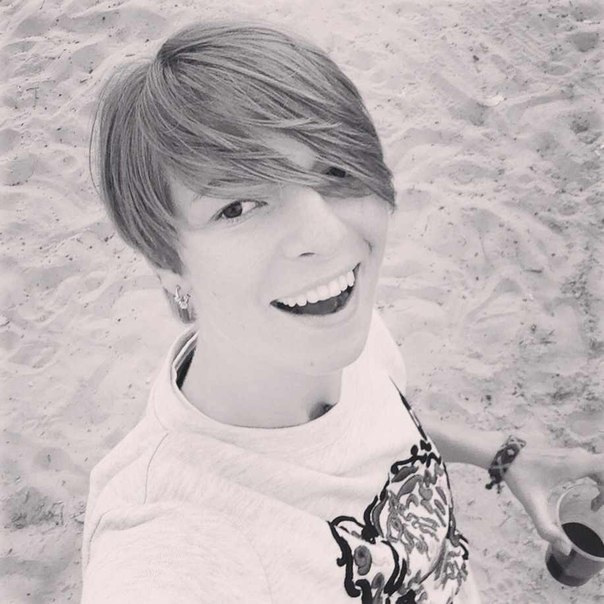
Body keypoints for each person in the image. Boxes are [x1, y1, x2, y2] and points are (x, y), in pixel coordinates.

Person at [81, 21, 603, 603]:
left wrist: (503, 458)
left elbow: (374, 428)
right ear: (166, 263)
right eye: (240, 205)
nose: (327, 236)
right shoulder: (171, 544)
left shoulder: (344, 330)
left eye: (335, 171)